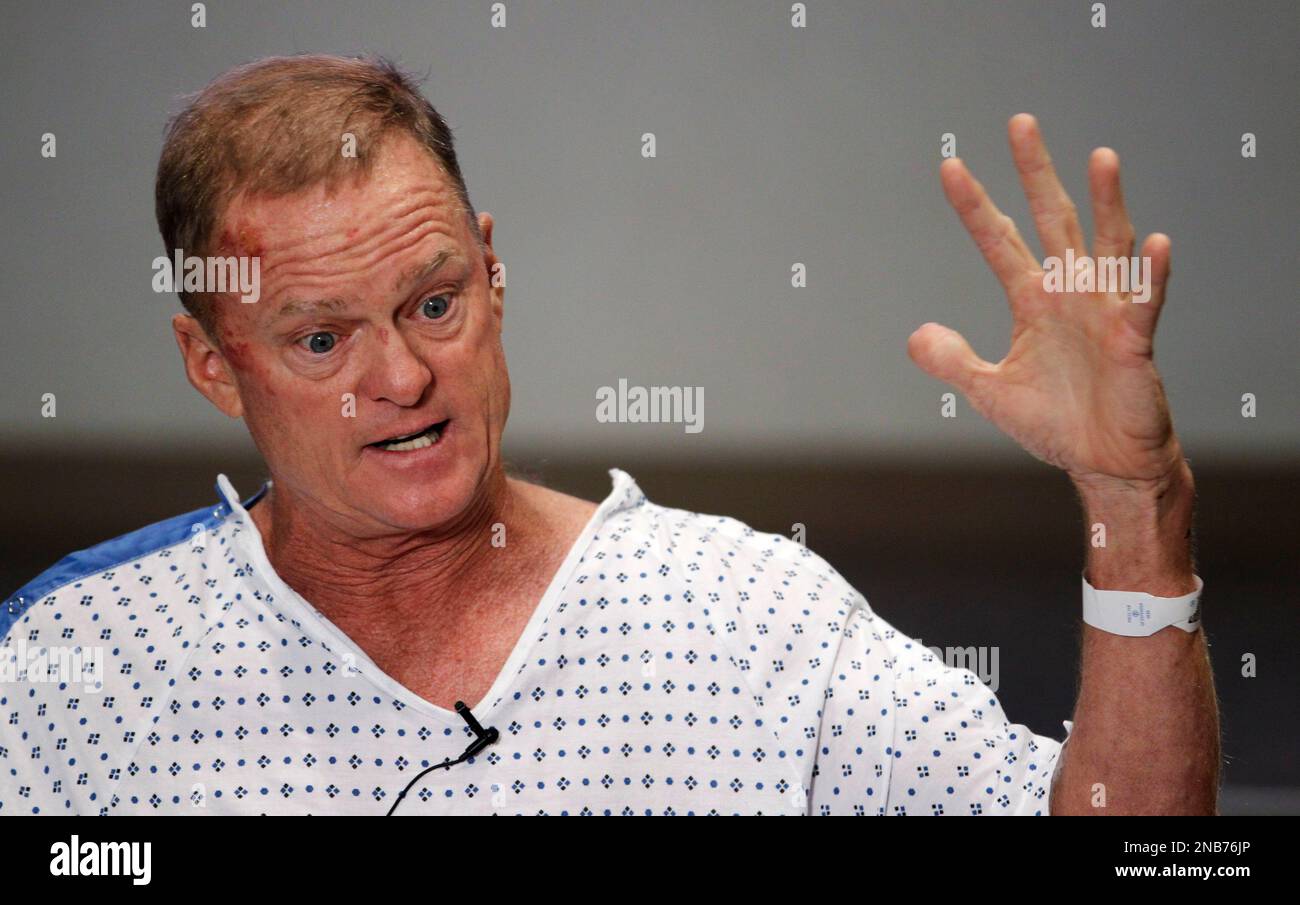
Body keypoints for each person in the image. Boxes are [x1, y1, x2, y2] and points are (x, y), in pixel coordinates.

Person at [0, 54, 1218, 815]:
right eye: (320, 339)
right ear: (213, 364)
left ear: (492, 270)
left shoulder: (745, 616)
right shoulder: (74, 669)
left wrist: (1133, 502)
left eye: (435, 302)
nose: (405, 373)